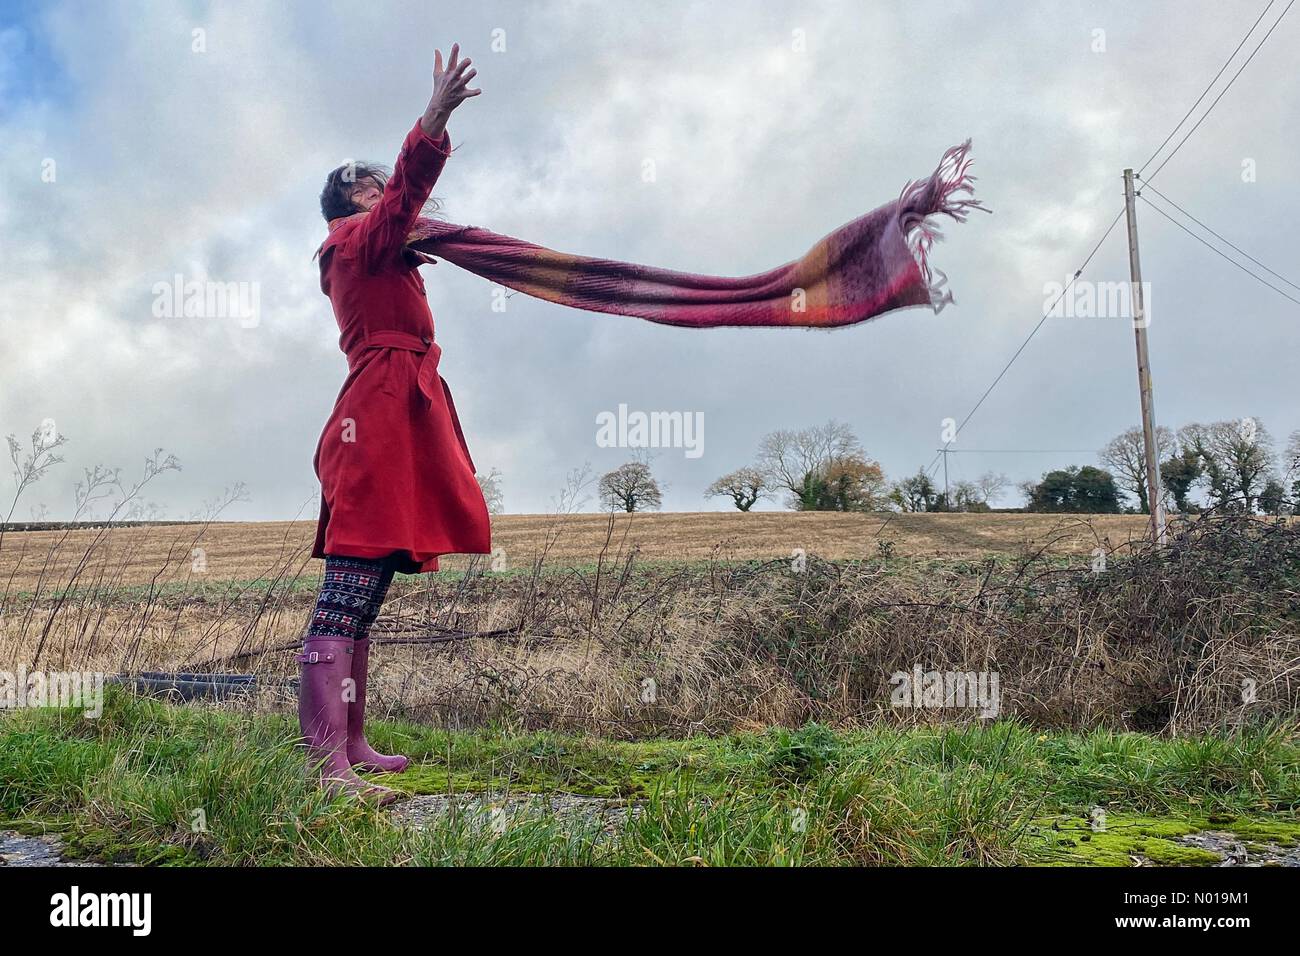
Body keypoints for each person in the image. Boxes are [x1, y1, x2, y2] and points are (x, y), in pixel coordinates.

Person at [299, 45, 485, 803]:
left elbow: (402, 211)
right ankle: (324, 765)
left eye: (382, 187)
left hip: (399, 414)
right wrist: (433, 119)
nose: (385, 197)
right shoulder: (352, 241)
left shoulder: (386, 254)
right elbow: (406, 196)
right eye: (370, 190)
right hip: (373, 424)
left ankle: (352, 744)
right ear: (348, 203)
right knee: (346, 591)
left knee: (367, 596)